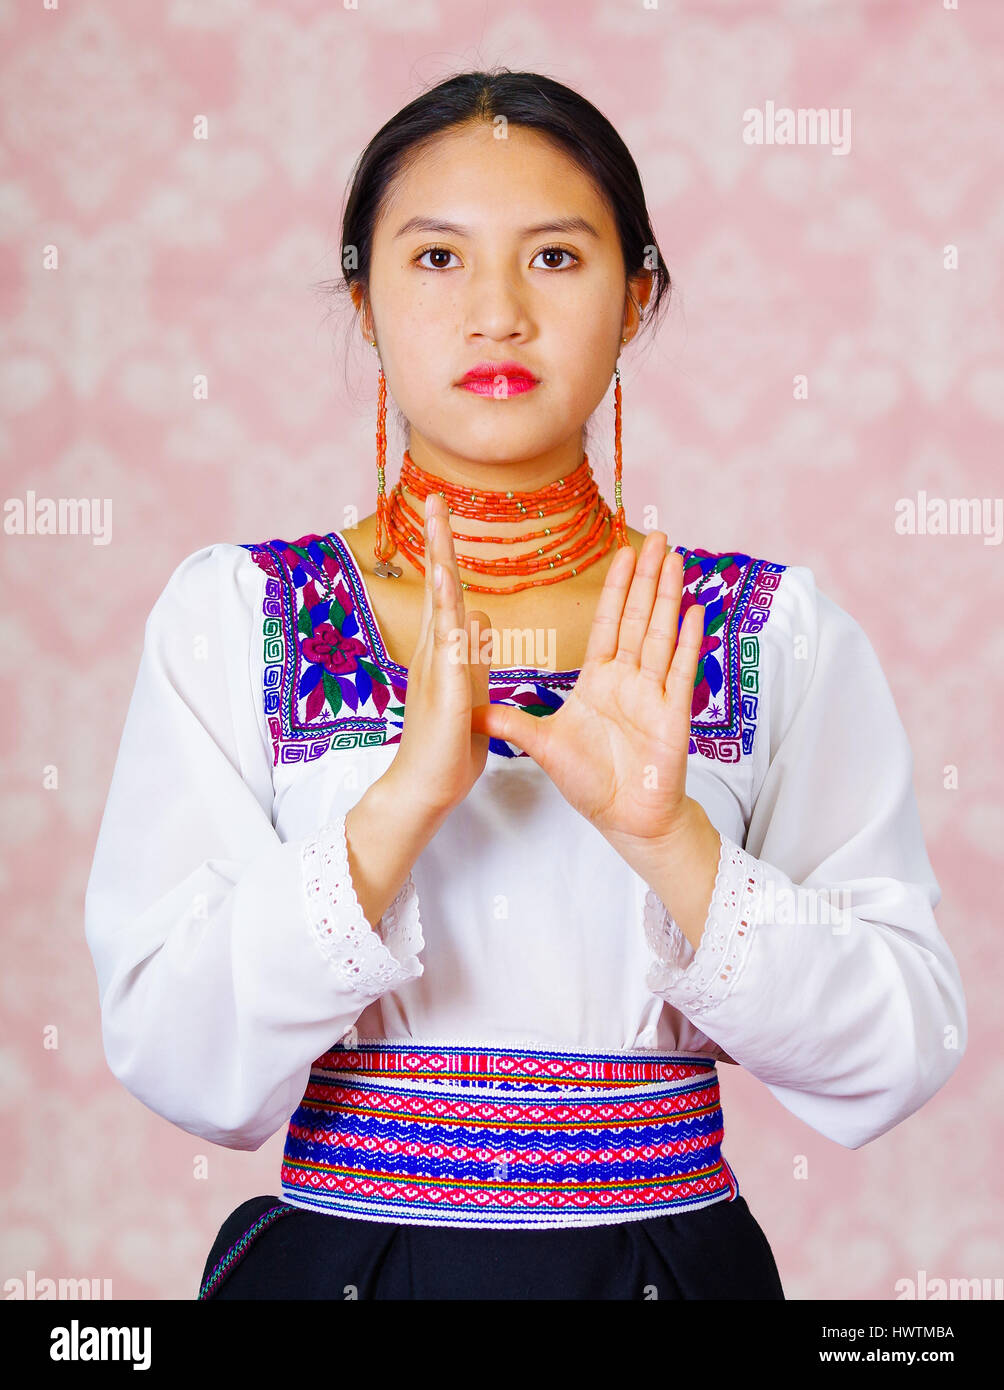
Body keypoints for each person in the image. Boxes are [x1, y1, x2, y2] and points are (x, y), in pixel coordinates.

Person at [84, 69, 967, 1301]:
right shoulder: (237, 616)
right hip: (347, 1270)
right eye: (435, 259)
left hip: (668, 1276)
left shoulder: (763, 631)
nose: (494, 313)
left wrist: (666, 838)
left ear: (636, 295)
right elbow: (179, 1057)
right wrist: (396, 809)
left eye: (555, 258)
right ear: (363, 296)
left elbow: (897, 1049)